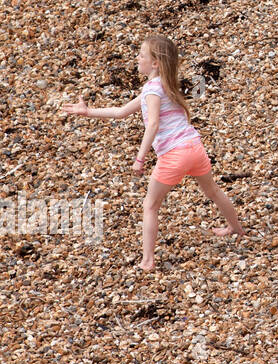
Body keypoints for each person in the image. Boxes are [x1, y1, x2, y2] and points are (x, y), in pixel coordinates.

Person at [61, 35, 245, 270]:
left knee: (150, 205)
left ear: (155, 62)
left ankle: (148, 261)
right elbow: (121, 111)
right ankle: (236, 228)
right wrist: (88, 112)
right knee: (213, 191)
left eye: (141, 55)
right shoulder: (165, 85)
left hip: (173, 155)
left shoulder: (152, 89)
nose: (137, 58)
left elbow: (154, 124)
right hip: (195, 148)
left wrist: (140, 158)